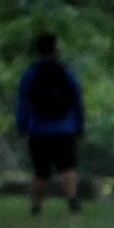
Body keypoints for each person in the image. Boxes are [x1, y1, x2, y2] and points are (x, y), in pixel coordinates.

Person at [14, 33, 84, 215]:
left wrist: (22, 126)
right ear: (56, 50)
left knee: (41, 172)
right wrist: (79, 126)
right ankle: (72, 199)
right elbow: (77, 99)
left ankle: (36, 205)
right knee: (67, 167)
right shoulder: (65, 72)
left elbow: (23, 102)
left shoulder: (31, 73)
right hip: (65, 128)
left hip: (38, 130)